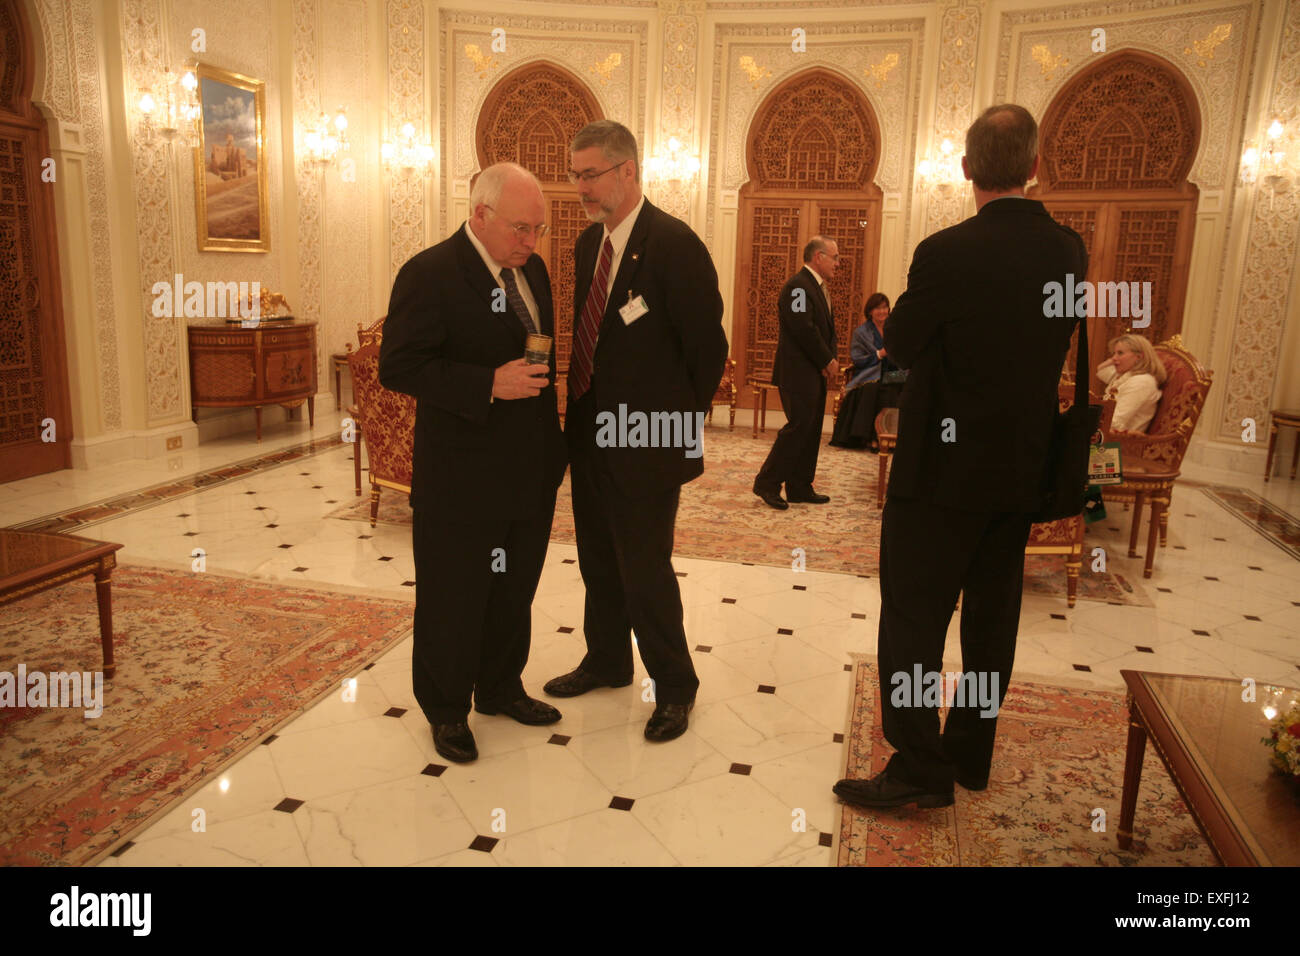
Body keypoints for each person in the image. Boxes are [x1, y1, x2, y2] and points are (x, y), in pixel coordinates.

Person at [833, 104, 1088, 809]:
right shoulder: (1068, 250)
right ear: (1035, 167)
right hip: (1019, 472)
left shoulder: (946, 252)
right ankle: (971, 751)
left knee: (914, 621)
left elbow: (905, 345)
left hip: (939, 476)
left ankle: (920, 767)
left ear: (967, 166)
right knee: (990, 620)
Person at [544, 120, 728, 743]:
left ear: (627, 171)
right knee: (597, 556)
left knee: (644, 565)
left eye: (588, 174)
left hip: (648, 440)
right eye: (574, 175)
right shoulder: (587, 247)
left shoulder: (675, 244)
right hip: (591, 432)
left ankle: (675, 687)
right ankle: (607, 660)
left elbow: (708, 349)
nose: (579, 188)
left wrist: (677, 431)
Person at [379, 162, 568, 764]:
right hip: (461, 475)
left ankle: (500, 686)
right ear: (480, 215)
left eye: (538, 229)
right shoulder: (429, 273)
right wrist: (486, 383)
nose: (530, 242)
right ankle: (446, 709)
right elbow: (399, 366)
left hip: (528, 470)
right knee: (454, 594)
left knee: (514, 587)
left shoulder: (532, 270)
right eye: (520, 228)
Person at [752, 236, 840, 509]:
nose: (838, 263)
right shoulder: (798, 287)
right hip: (798, 372)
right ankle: (766, 483)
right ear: (818, 257)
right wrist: (827, 360)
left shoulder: (816, 287)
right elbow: (804, 329)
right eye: (835, 257)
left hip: (812, 372)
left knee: (811, 429)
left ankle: (800, 486)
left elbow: (821, 328)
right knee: (799, 427)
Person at [830, 292, 904, 449]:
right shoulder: (861, 333)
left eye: (885, 307)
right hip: (869, 375)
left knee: (898, 385)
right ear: (870, 311)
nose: (882, 311)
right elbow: (858, 360)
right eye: (878, 308)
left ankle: (890, 438)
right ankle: (871, 438)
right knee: (874, 389)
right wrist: (879, 354)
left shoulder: (895, 329)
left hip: (893, 374)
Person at [1096, 333, 1166, 432]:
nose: (1114, 358)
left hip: (1118, 443)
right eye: (1114, 353)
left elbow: (1114, 422)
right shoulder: (1125, 375)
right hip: (1104, 433)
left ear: (1138, 357)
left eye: (1120, 353)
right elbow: (1101, 370)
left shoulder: (1142, 382)